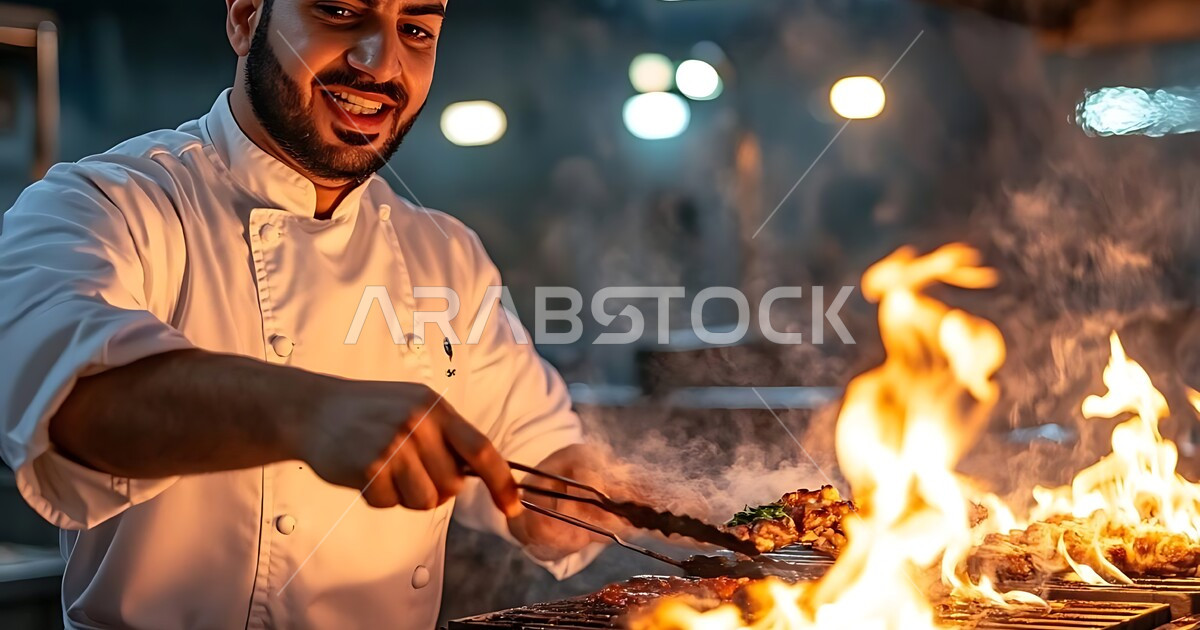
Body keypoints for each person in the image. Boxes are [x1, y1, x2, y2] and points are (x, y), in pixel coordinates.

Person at [0, 0, 611, 627]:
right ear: (245, 18)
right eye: (340, 11)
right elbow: (67, 402)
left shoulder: (446, 254)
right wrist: (310, 412)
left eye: (416, 30)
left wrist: (590, 494)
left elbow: (537, 457)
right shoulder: (104, 205)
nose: (381, 63)